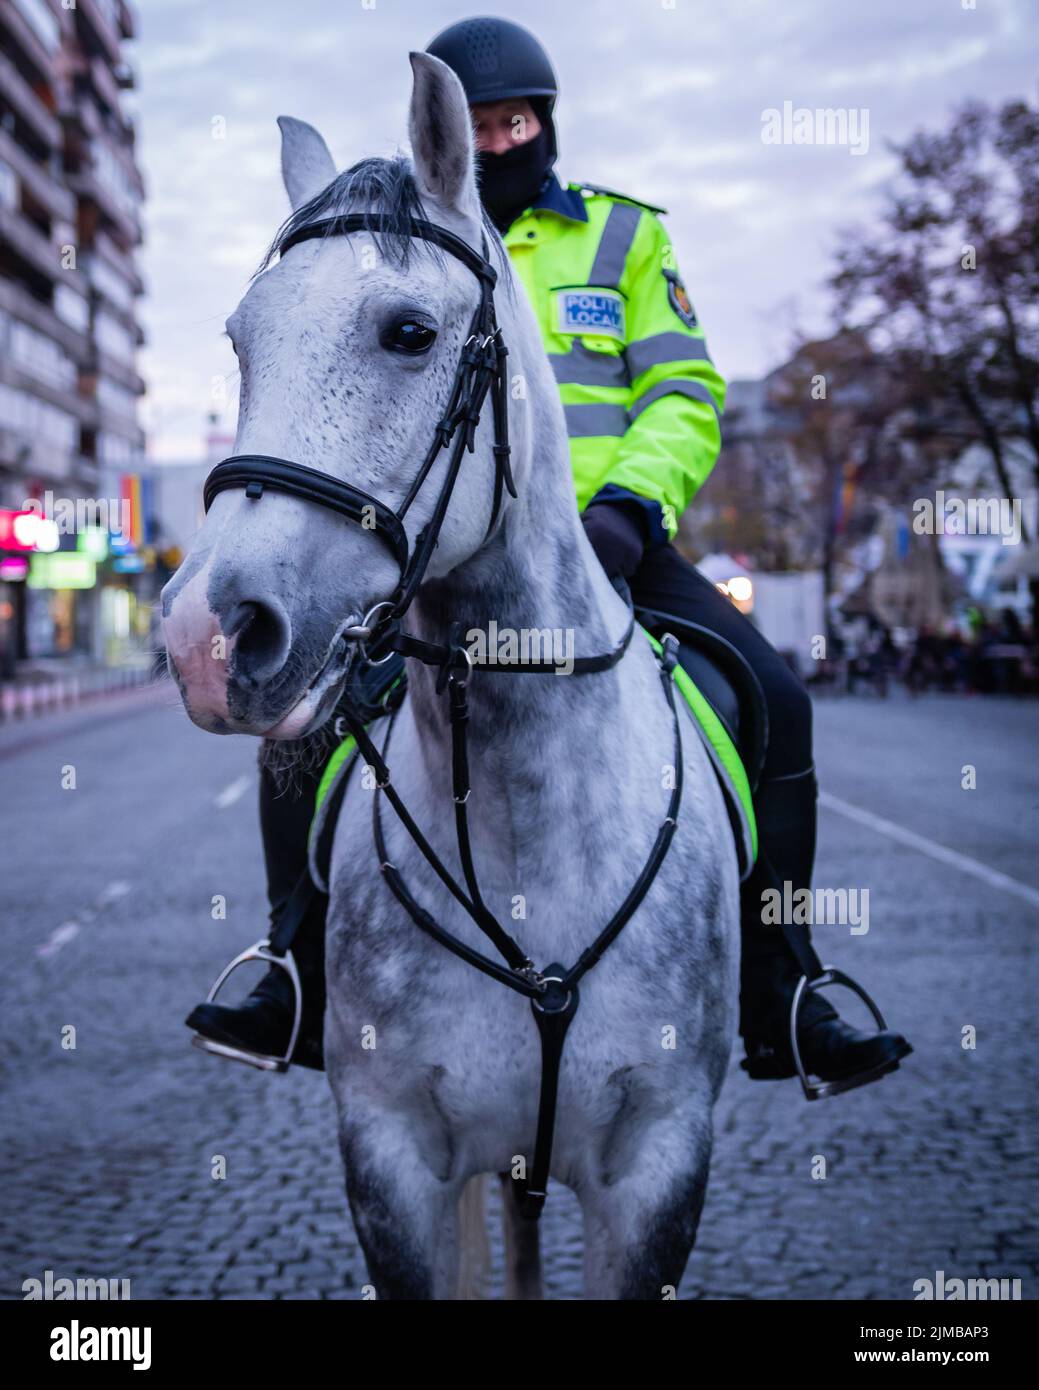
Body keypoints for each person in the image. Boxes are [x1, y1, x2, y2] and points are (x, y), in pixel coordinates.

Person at [188, 16, 910, 1093]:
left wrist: (631, 505)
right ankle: (292, 965)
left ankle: (783, 981)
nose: (492, 141)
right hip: (442, 541)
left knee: (773, 697)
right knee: (302, 729)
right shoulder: (400, 246)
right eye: (471, 127)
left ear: (545, 126)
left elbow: (682, 390)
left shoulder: (621, 238)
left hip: (611, 539)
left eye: (512, 121)